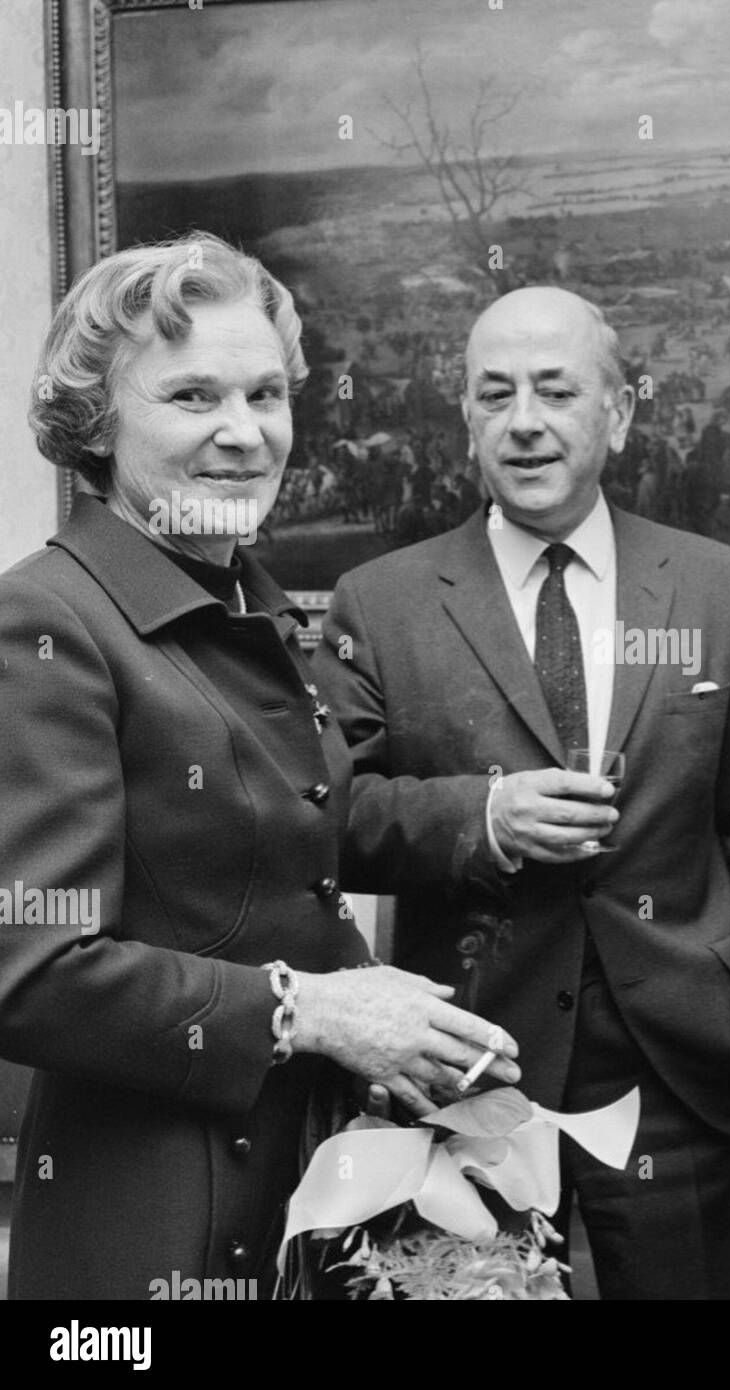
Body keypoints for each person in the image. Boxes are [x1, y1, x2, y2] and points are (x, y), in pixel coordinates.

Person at [0, 234, 518, 1301]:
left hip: (296, 1198)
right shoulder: (46, 621)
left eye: (267, 394)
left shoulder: (251, 611)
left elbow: (288, 843)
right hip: (144, 1231)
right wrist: (317, 1010)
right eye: (192, 396)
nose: (244, 434)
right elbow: (30, 975)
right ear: (97, 427)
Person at [313, 286, 730, 1300]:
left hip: (676, 1067)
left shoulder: (714, 585)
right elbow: (328, 821)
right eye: (494, 394)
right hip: (467, 1069)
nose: (524, 421)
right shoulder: (384, 598)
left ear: (618, 414)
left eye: (555, 390)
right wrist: (479, 816)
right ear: (466, 421)